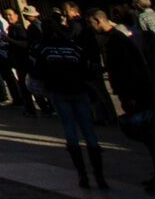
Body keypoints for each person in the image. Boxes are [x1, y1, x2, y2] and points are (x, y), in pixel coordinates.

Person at [88, 9, 155, 193]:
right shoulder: (120, 37)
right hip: (140, 91)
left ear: (97, 20)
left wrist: (130, 96)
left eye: (92, 24)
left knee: (150, 137)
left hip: (137, 93)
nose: (92, 28)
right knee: (151, 139)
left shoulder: (116, 40)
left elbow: (128, 69)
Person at [28, 10, 108, 190]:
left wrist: (44, 87)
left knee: (70, 131)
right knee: (89, 133)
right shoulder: (74, 47)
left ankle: (82, 175)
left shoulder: (41, 48)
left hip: (59, 92)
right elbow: (88, 69)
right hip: (79, 91)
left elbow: (35, 71)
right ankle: (100, 176)